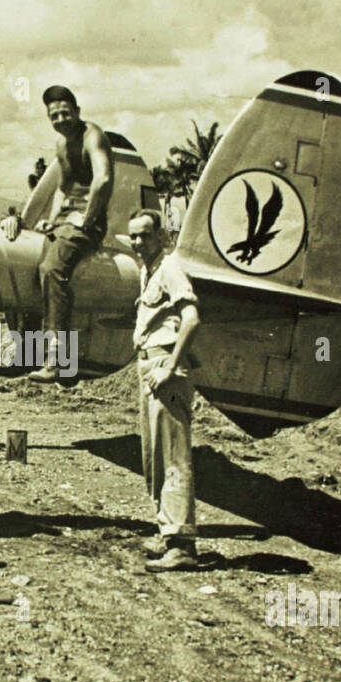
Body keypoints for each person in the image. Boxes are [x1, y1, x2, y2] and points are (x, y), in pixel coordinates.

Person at [0, 85, 113, 384]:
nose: (60, 119)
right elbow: (62, 188)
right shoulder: (62, 144)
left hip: (87, 222)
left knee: (52, 269)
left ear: (77, 110)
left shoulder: (93, 136)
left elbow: (102, 179)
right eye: (54, 115)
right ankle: (28, 352)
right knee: (30, 265)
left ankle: (56, 359)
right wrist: (51, 220)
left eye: (65, 112)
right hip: (64, 220)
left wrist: (86, 220)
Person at [127, 209, 200, 572]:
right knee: (154, 455)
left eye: (144, 235)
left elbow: (191, 319)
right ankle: (167, 531)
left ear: (161, 237)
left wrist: (171, 366)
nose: (138, 243)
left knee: (173, 454)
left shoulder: (170, 268)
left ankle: (182, 543)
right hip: (149, 365)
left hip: (165, 368)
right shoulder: (147, 271)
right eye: (133, 237)